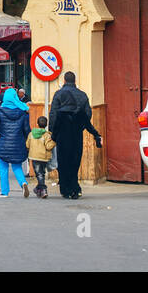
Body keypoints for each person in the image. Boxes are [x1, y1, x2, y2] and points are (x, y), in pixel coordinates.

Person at [48, 71, 102, 200]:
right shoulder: (82, 95)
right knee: (74, 161)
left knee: (63, 162)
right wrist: (80, 126)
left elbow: (53, 114)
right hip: (76, 134)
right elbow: (88, 114)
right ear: (75, 81)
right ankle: (74, 188)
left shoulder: (58, 94)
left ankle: (65, 189)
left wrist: (53, 132)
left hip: (61, 135)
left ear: (65, 81)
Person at [0, 87, 32, 198]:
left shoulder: (0, 112)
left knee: (3, 168)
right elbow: (27, 130)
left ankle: (4, 192)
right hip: (17, 145)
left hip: (2, 144)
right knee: (17, 167)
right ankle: (23, 183)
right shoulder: (23, 112)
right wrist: (25, 140)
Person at [27, 115, 56, 198]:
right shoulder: (47, 135)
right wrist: (54, 142)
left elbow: (27, 144)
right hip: (43, 157)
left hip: (34, 157)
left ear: (37, 124)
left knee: (39, 174)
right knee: (41, 173)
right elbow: (48, 146)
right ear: (46, 125)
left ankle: (39, 189)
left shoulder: (31, 134)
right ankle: (42, 190)